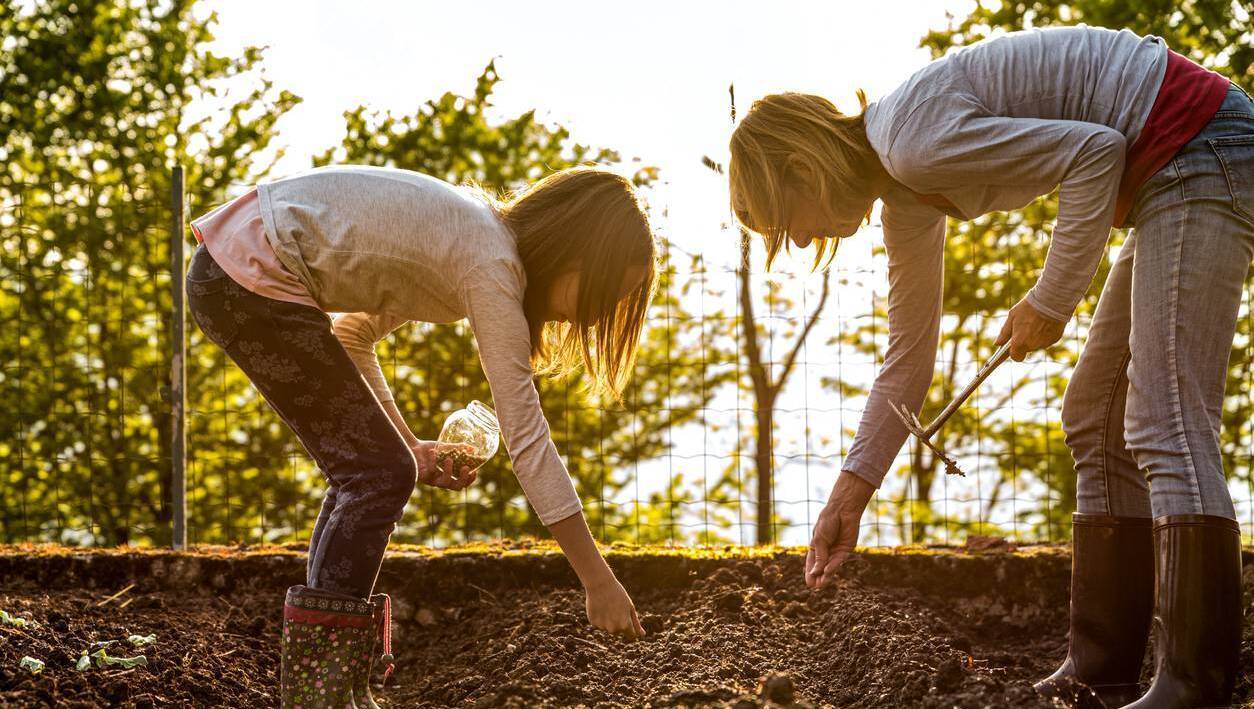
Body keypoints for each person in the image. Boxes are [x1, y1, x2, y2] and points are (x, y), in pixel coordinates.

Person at [728, 26, 1250, 709]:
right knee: (1094, 415)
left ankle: (1193, 687)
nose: (799, 242)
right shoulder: (904, 191)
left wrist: (1050, 300)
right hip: (1168, 167)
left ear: (803, 168)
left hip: (1199, 142)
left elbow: (1096, 152)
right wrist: (847, 498)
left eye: (784, 222)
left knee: (1165, 416)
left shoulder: (912, 143)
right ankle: (1100, 672)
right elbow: (906, 361)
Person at [187, 165, 653, 708]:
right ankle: (322, 696)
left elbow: (353, 333)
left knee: (376, 470)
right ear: (573, 253)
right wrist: (597, 580)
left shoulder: (473, 238)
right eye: (600, 296)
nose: (593, 321)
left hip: (238, 268)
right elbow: (526, 437)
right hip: (248, 276)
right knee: (375, 474)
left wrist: (408, 446)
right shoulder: (491, 262)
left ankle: (329, 688)